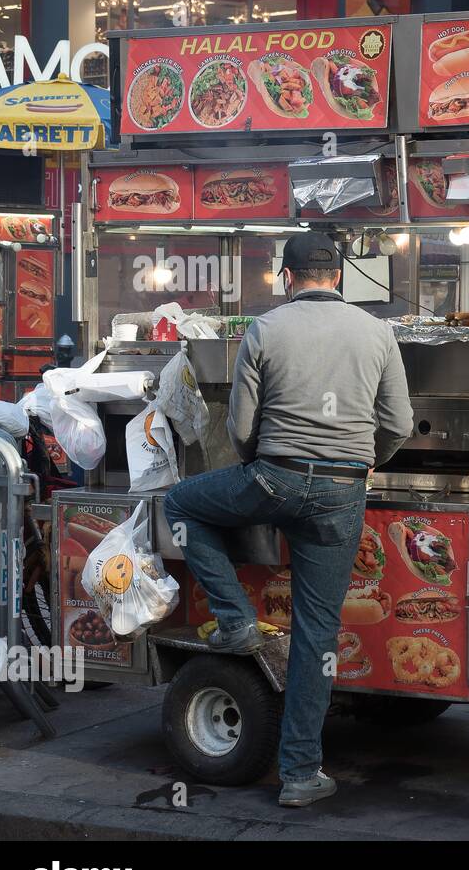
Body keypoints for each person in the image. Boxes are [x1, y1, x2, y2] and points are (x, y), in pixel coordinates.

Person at [164, 232, 414, 807]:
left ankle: (236, 618)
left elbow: (241, 427)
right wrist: (363, 459)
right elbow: (398, 422)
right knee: (315, 638)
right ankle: (300, 775)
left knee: (181, 502)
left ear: (287, 276)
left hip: (273, 477)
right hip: (342, 491)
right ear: (341, 277)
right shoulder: (378, 332)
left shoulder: (266, 329)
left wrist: (258, 469)